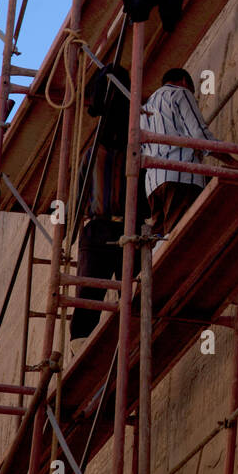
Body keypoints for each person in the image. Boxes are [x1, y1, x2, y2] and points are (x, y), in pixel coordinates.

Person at [71, 63, 139, 341]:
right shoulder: (92, 156)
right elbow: (78, 202)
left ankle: (131, 341)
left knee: (134, 292)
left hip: (129, 229)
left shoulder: (134, 148)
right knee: (89, 298)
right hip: (99, 230)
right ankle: (79, 346)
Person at [141, 67, 236, 234]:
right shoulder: (180, 93)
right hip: (181, 177)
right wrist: (233, 162)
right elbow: (199, 135)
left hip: (153, 185)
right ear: (185, 81)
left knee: (164, 241)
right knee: (185, 234)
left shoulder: (144, 110)